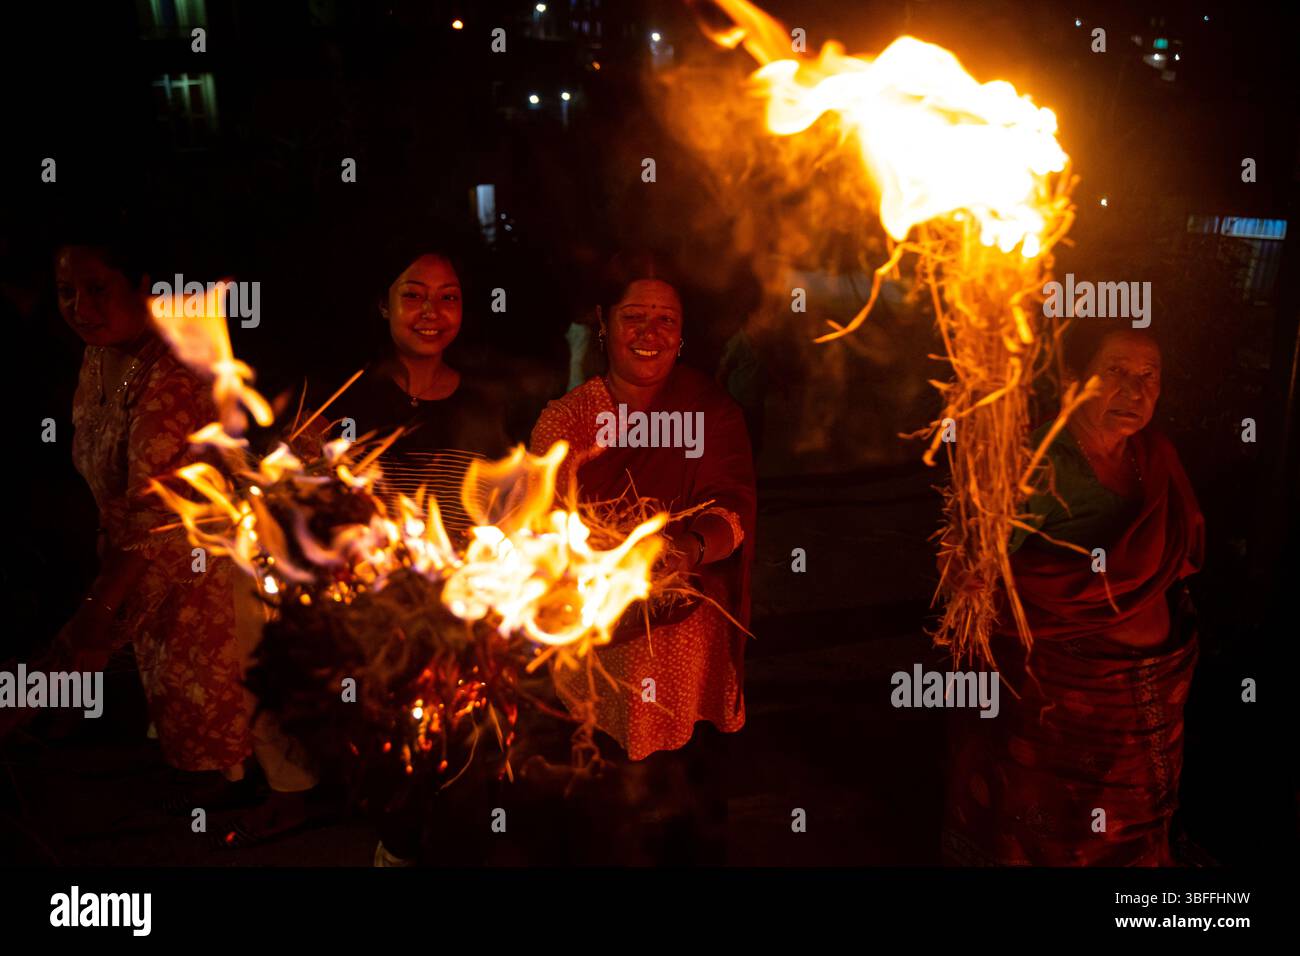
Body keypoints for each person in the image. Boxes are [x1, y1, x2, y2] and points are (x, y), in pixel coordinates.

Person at [943, 323, 1205, 866]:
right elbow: (974, 560)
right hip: (1063, 694)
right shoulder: (1037, 462)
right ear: (1071, 381)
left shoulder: (1153, 455)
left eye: (1148, 377)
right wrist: (969, 567)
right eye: (1113, 372)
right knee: (1053, 825)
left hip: (1149, 689)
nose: (1133, 392)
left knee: (1134, 824)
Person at [527, 255, 756, 862]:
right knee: (605, 816)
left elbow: (734, 507)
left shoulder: (711, 411)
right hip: (599, 656)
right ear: (604, 323)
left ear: (682, 333)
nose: (650, 333)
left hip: (689, 654)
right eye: (635, 316)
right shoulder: (566, 419)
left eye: (666, 319)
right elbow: (538, 533)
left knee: (687, 814)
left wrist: (689, 546)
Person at [52, 239, 253, 785]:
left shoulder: (172, 373)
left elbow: (152, 515)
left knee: (209, 709)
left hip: (194, 570)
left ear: (142, 284)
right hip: (133, 561)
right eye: (66, 292)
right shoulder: (100, 354)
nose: (80, 308)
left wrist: (98, 607)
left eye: (98, 289)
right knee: (166, 699)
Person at [306, 249, 509, 538]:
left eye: (448, 297)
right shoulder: (340, 395)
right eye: (413, 295)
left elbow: (507, 512)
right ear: (384, 305)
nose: (432, 311)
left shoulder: (486, 403)